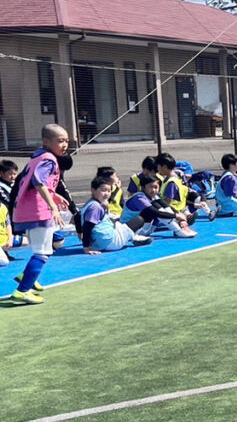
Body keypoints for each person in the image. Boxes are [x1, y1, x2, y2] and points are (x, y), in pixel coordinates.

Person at [9, 124, 69, 304]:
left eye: (66, 140)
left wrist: (55, 196)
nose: (65, 144)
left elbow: (39, 185)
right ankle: (22, 291)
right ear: (46, 141)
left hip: (33, 210)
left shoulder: (39, 157)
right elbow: (38, 183)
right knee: (42, 252)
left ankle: (27, 276)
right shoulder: (48, 160)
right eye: (60, 141)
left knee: (56, 241)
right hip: (37, 212)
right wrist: (52, 206)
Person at [81, 176, 152, 253]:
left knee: (114, 221)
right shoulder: (96, 207)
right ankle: (133, 237)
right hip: (113, 242)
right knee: (139, 220)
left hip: (98, 244)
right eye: (103, 190)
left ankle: (131, 236)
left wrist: (80, 235)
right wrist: (86, 248)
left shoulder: (89, 203)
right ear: (93, 190)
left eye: (109, 191)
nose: (107, 194)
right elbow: (87, 227)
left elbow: (77, 217)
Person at [122, 174, 197, 238]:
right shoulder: (139, 198)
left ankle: (180, 227)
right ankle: (178, 231)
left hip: (145, 229)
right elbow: (156, 213)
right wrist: (176, 216)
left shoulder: (153, 196)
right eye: (151, 187)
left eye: (156, 187)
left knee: (158, 204)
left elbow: (167, 206)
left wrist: (180, 218)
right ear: (143, 187)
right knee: (155, 208)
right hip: (130, 230)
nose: (154, 190)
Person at [157, 153, 215, 223]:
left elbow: (168, 201)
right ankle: (186, 217)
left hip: (173, 210)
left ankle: (181, 220)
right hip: (180, 207)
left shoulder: (171, 183)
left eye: (158, 166)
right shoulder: (173, 179)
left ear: (164, 167)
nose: (158, 169)